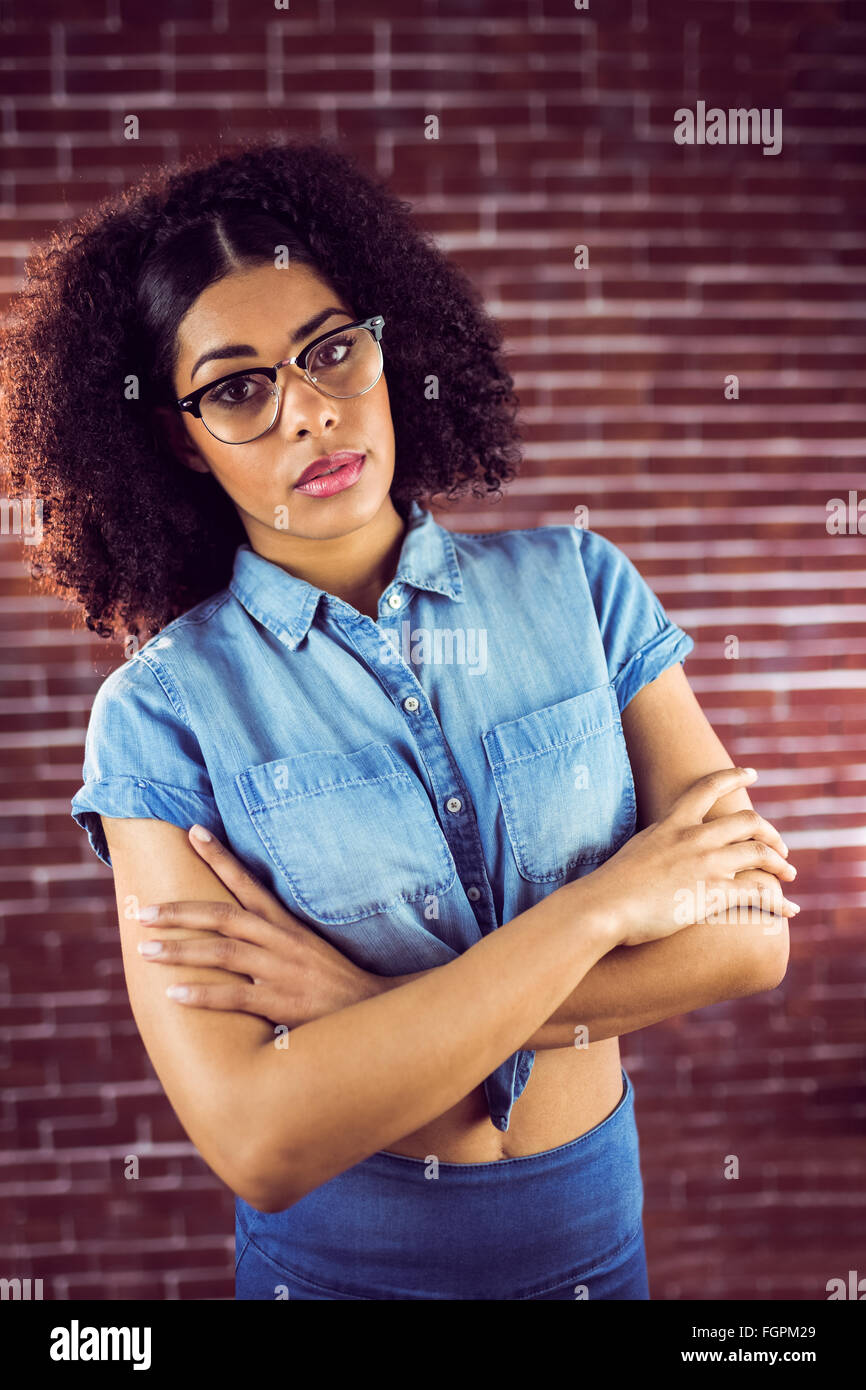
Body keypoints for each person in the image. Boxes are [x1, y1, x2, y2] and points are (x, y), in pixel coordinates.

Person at [0, 137, 797, 1301]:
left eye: (330, 350)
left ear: (386, 343)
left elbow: (748, 932)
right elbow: (260, 1138)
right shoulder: (160, 716)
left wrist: (370, 1016)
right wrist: (607, 906)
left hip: (600, 1255)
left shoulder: (579, 586)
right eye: (237, 387)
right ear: (179, 435)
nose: (308, 414)